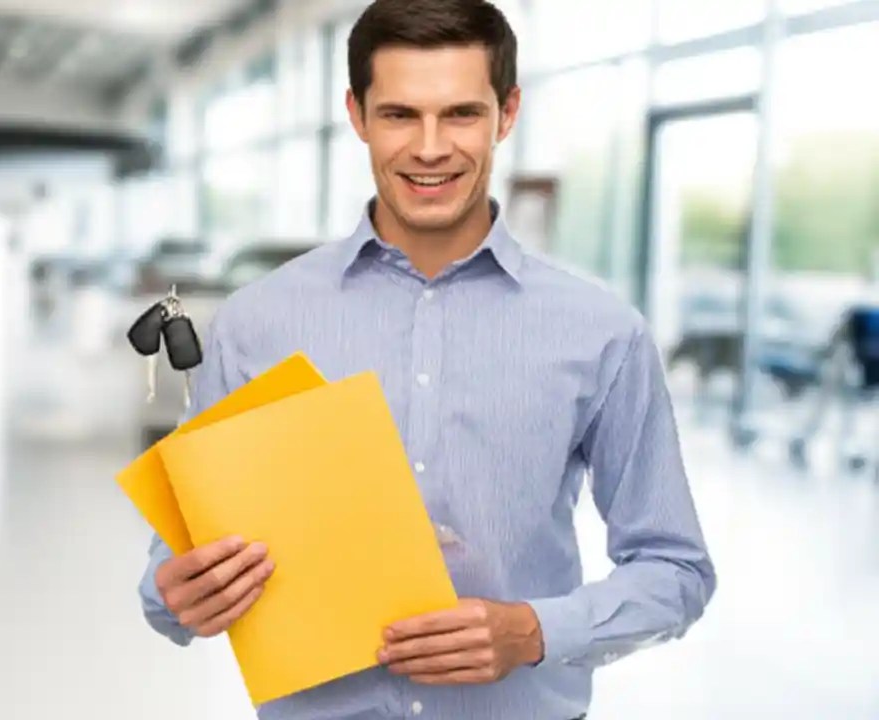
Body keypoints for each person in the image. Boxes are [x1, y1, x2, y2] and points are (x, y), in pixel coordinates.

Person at [137, 1, 717, 718]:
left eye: (461, 114)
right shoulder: (258, 323)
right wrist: (177, 595)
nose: (431, 147)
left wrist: (535, 631)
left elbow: (677, 570)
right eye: (400, 115)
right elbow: (170, 567)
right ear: (357, 115)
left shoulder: (601, 334)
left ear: (507, 114)